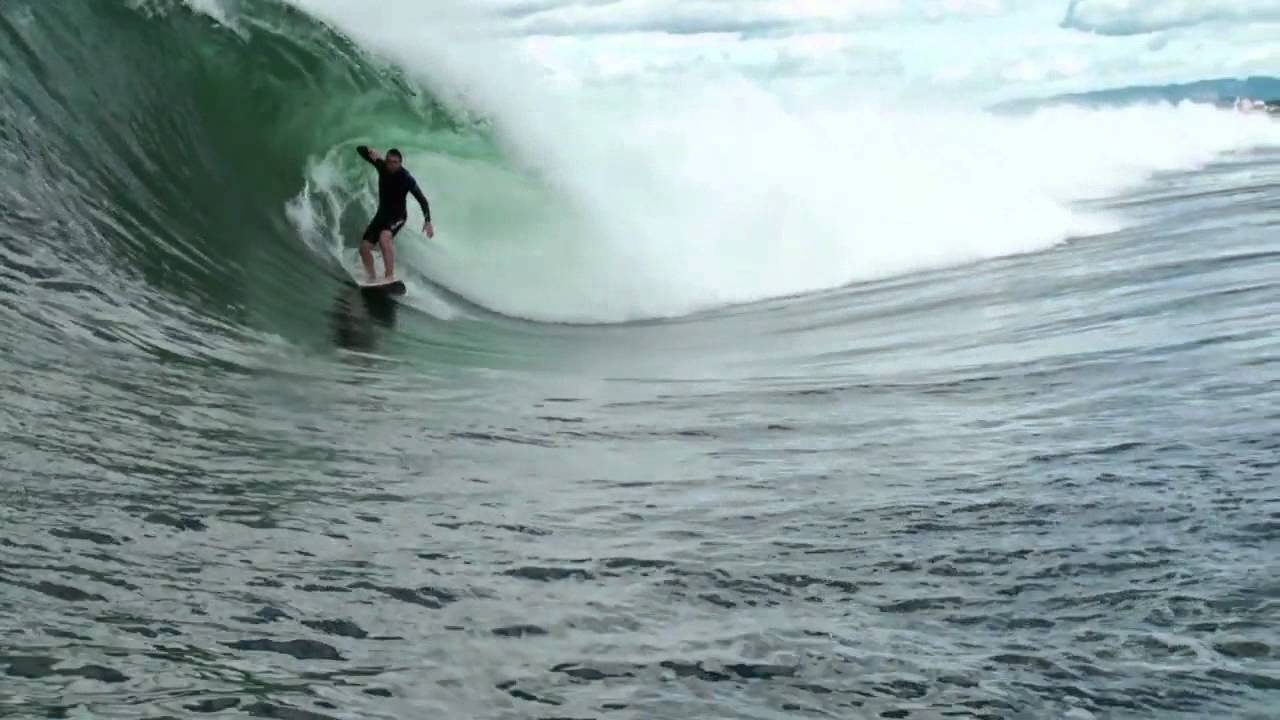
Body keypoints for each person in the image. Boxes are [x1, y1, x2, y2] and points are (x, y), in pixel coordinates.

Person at [355, 145, 434, 281]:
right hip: (382, 215)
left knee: (384, 238)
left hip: (398, 215)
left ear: (400, 163)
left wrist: (427, 221)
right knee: (364, 248)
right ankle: (371, 276)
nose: (391, 165)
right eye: (389, 161)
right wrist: (369, 151)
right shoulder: (382, 166)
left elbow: (422, 200)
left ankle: (389, 276)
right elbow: (359, 149)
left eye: (395, 162)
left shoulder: (406, 178)